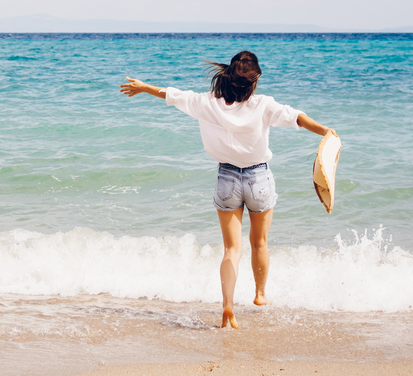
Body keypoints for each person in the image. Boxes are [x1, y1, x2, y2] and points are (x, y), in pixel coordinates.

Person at [119, 50, 336, 330]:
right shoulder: (263, 105)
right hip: (259, 178)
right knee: (259, 243)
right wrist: (326, 131)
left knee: (231, 249)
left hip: (226, 179)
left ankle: (228, 307)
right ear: (254, 81)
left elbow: (172, 95)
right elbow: (298, 118)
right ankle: (259, 294)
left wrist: (144, 87)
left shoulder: (207, 103)